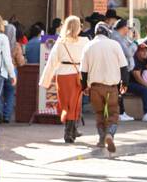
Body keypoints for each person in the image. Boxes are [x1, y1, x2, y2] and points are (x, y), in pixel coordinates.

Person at [39, 15, 89, 143]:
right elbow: (90, 60)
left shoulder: (60, 43)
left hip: (62, 75)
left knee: (65, 103)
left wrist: (45, 80)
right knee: (75, 103)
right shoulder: (85, 42)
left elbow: (52, 62)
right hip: (78, 75)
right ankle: (71, 131)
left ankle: (70, 130)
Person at [81, 23, 128, 155]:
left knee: (99, 113)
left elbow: (83, 71)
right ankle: (110, 135)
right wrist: (125, 84)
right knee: (113, 113)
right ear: (108, 32)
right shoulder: (115, 45)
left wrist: (84, 87)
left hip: (95, 87)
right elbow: (124, 67)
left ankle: (102, 139)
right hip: (111, 87)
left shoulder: (88, 46)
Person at [126, 43, 147, 121]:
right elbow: (137, 77)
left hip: (139, 83)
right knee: (146, 90)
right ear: (137, 52)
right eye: (142, 51)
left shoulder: (145, 60)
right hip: (128, 84)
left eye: (146, 51)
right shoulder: (134, 60)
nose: (145, 53)